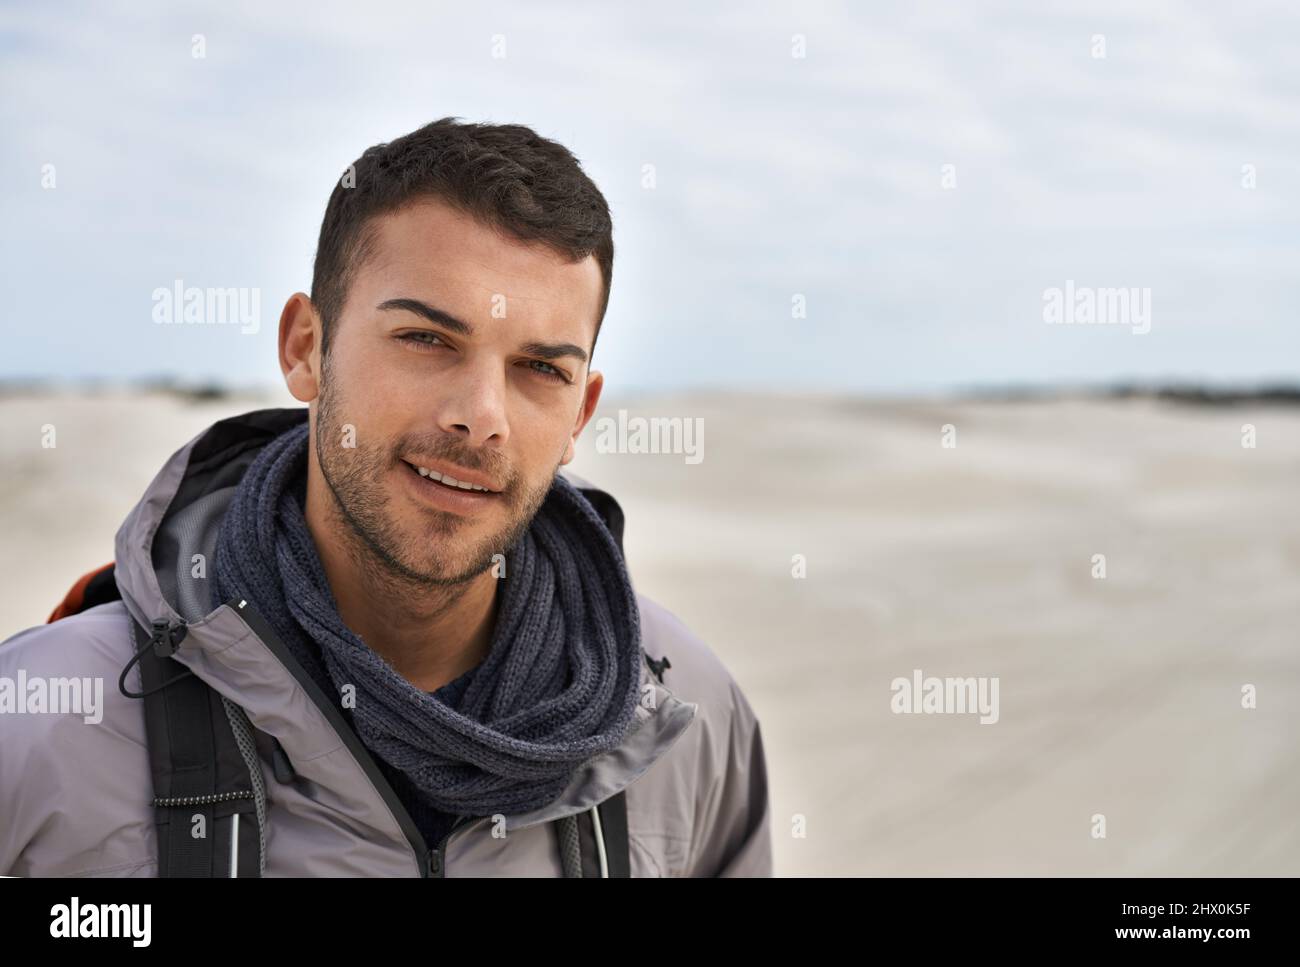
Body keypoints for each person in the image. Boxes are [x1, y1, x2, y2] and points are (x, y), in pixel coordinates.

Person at [0, 117, 772, 877]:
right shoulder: (42, 724)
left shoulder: (683, 721)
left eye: (540, 368)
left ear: (581, 413)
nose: (482, 417)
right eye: (427, 339)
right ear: (307, 348)